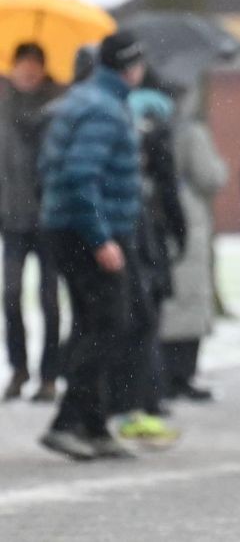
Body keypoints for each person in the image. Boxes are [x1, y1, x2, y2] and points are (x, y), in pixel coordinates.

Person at [37, 31, 146, 460]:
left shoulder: (86, 98)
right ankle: (67, 422)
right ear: (129, 66)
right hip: (87, 232)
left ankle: (94, 425)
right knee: (109, 322)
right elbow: (81, 178)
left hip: (66, 227)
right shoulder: (104, 109)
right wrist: (101, 238)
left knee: (90, 322)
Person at [109, 72, 187, 445]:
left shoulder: (117, 116)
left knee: (119, 318)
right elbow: (169, 188)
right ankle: (144, 401)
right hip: (145, 236)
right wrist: (179, 231)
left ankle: (119, 400)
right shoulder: (154, 127)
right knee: (144, 319)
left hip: (120, 235)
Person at [0, 42, 62, 402]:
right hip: (12, 217)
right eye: (21, 64)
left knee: (50, 300)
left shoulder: (56, 107)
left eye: (33, 65)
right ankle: (19, 367)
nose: (28, 71)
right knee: (10, 295)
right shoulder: (3, 109)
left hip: (49, 218)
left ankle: (50, 375)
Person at [159, 81, 228, 402]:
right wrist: (219, 168)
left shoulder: (145, 122)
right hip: (188, 216)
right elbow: (209, 177)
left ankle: (163, 373)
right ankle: (181, 373)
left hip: (157, 217)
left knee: (169, 295)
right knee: (189, 295)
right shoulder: (190, 131)